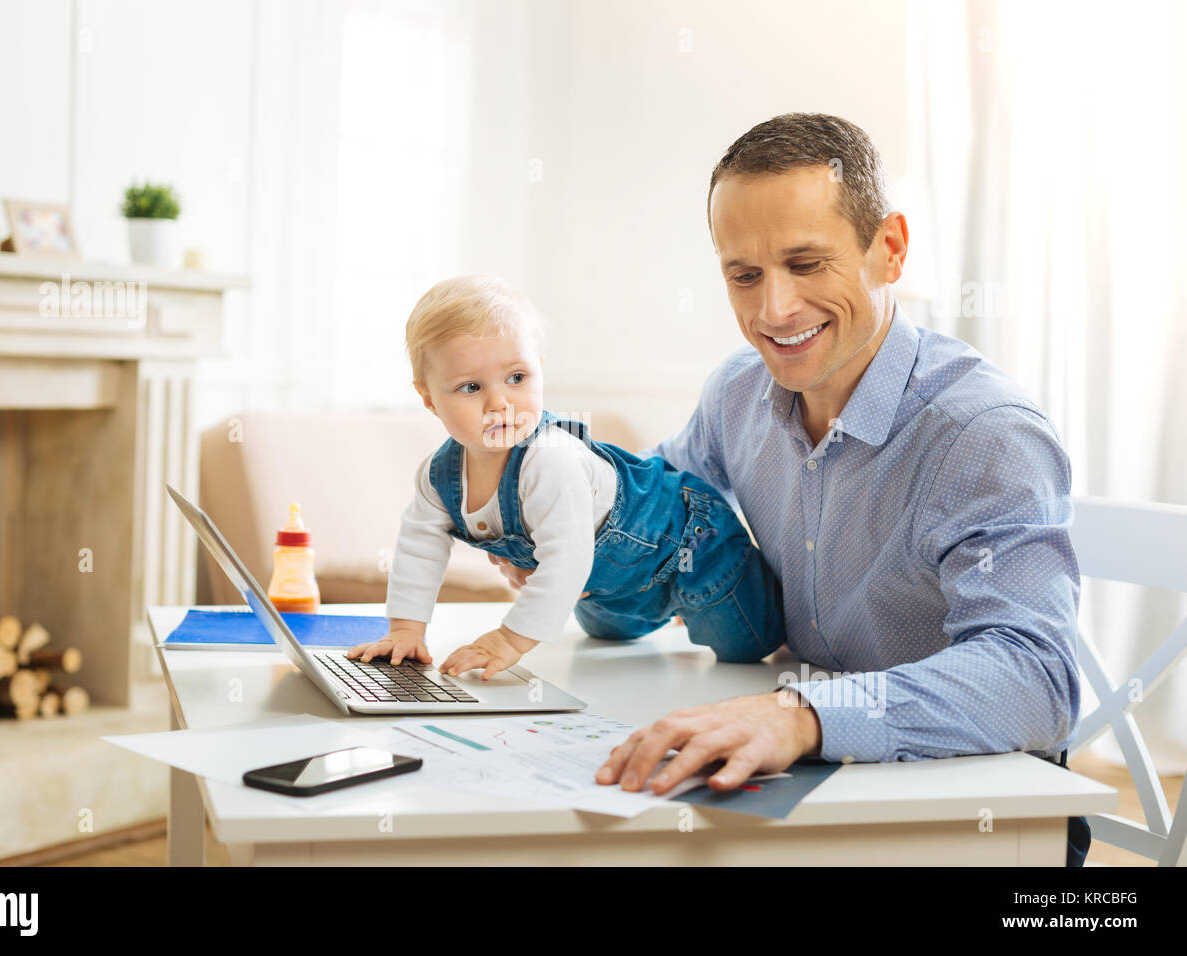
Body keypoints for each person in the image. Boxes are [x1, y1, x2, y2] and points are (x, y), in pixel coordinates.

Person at [489, 113, 1090, 866]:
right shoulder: (737, 395)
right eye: (744, 275)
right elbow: (657, 526)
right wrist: (575, 540)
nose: (773, 310)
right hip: (815, 789)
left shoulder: (984, 434)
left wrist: (802, 715)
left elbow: (1034, 679)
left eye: (807, 264)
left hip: (977, 815)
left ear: (889, 249)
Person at [346, 273, 786, 678]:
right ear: (428, 399)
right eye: (471, 387)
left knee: (745, 649)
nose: (499, 402)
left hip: (691, 541)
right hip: (608, 584)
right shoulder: (439, 477)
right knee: (605, 633)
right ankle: (661, 609)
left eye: (516, 377)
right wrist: (406, 630)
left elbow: (566, 560)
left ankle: (774, 599)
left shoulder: (549, 461)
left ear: (538, 368)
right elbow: (419, 547)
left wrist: (508, 640)